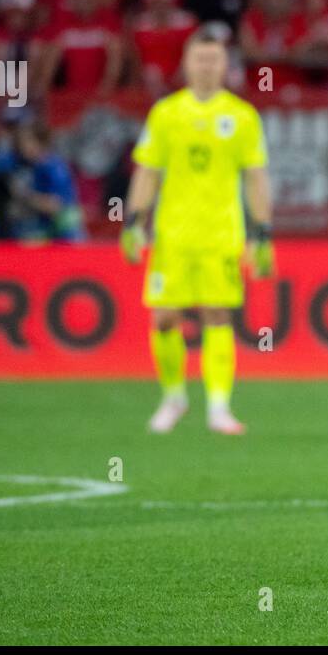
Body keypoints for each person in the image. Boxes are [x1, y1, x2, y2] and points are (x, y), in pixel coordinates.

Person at [121, 29, 274, 436]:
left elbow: (255, 179)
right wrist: (134, 223)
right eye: (199, 59)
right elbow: (147, 173)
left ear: (225, 64)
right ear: (186, 64)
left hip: (222, 233)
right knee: (165, 318)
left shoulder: (242, 116)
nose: (206, 66)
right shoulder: (166, 114)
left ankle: (218, 407)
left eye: (214, 59)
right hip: (172, 234)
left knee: (217, 314)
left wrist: (262, 233)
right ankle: (173, 397)